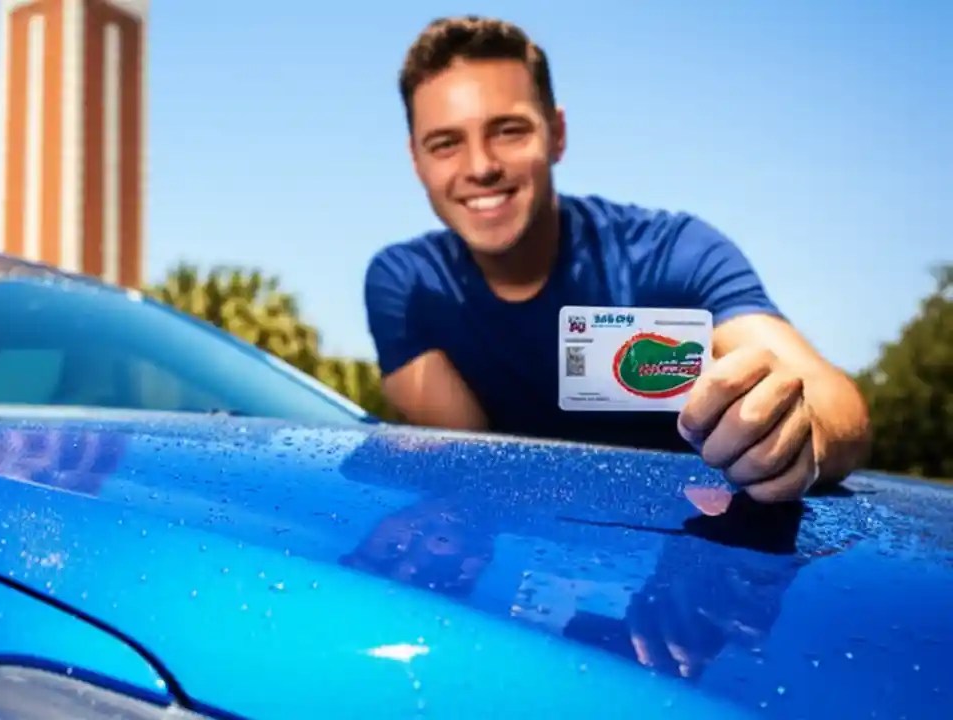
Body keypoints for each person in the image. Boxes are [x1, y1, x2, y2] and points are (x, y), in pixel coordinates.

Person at [363, 15, 872, 503]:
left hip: (692, 563)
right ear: (416, 159)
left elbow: (831, 400)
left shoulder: (675, 252)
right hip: (504, 571)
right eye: (446, 143)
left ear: (556, 134)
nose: (481, 167)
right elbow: (474, 463)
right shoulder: (405, 287)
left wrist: (799, 433)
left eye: (509, 131)